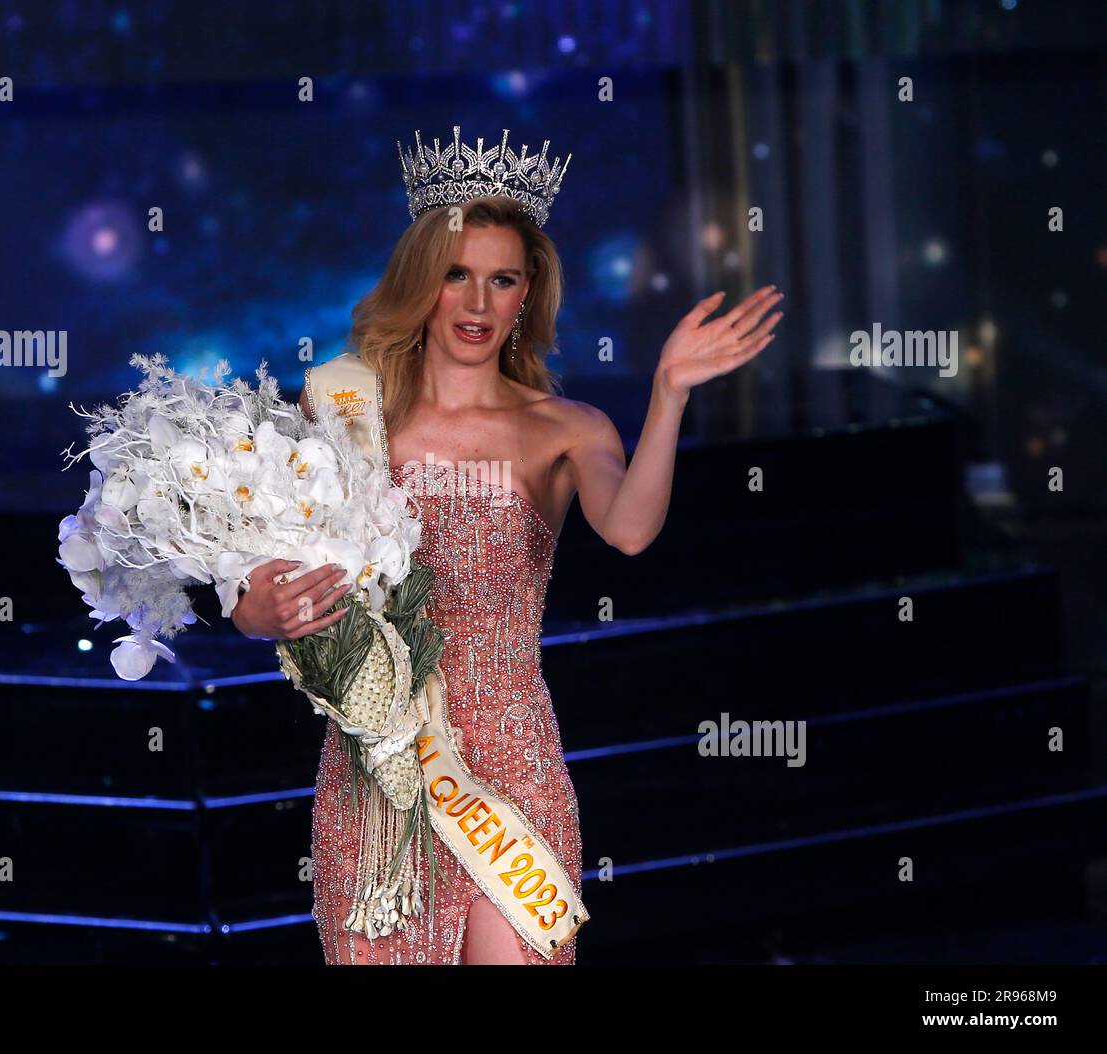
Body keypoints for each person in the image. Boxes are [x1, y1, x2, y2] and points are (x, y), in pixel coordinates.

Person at [232, 129, 782, 964]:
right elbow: (258, 598)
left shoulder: (563, 429)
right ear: (423, 282)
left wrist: (666, 394)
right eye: (457, 275)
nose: (478, 303)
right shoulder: (343, 417)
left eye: (503, 279)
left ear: (528, 294)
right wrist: (258, 613)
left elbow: (630, 530)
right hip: (380, 781)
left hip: (510, 773)